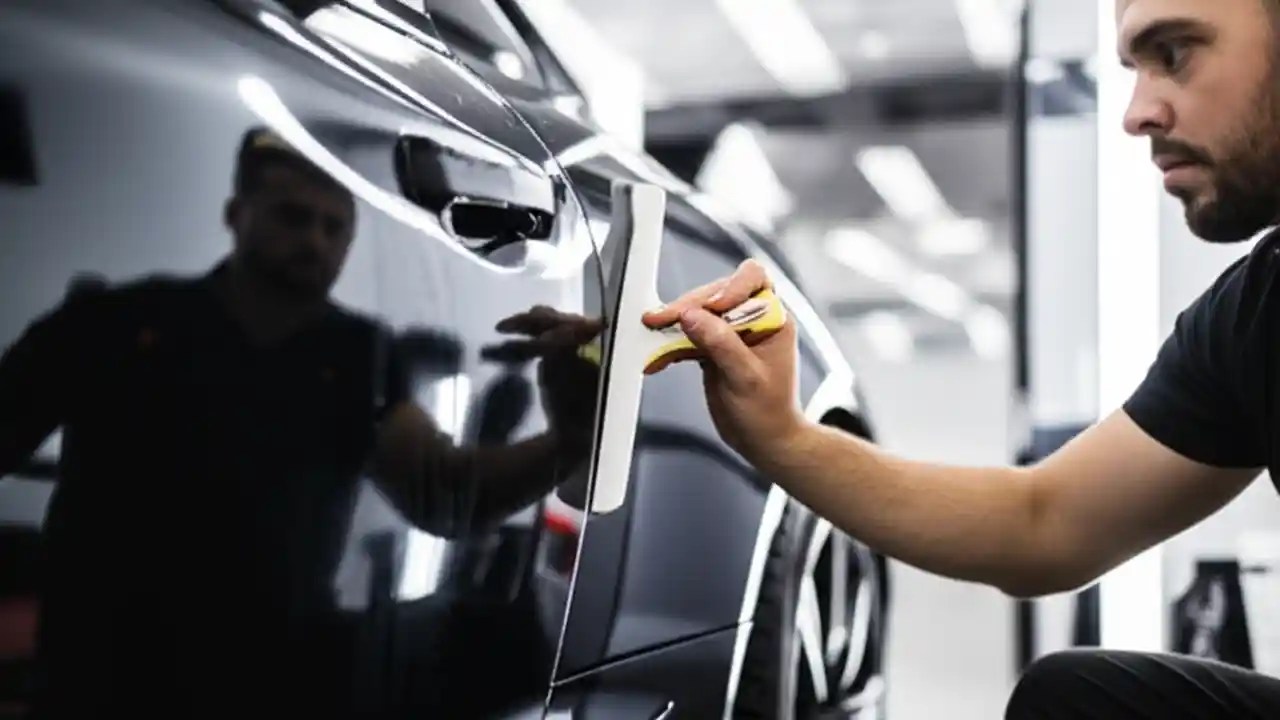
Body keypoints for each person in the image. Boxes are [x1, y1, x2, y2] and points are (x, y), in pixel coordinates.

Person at [645, 0, 1280, 716]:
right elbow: (1043, 525)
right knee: (1078, 699)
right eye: (1135, 69)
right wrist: (783, 438)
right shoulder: (1255, 313)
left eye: (1175, 54)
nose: (1137, 114)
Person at [0, 127, 598, 717]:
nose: (315, 240)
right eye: (293, 216)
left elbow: (442, 489)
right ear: (237, 215)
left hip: (266, 685)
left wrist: (569, 439)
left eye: (334, 227)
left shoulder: (354, 355)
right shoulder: (120, 321)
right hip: (101, 677)